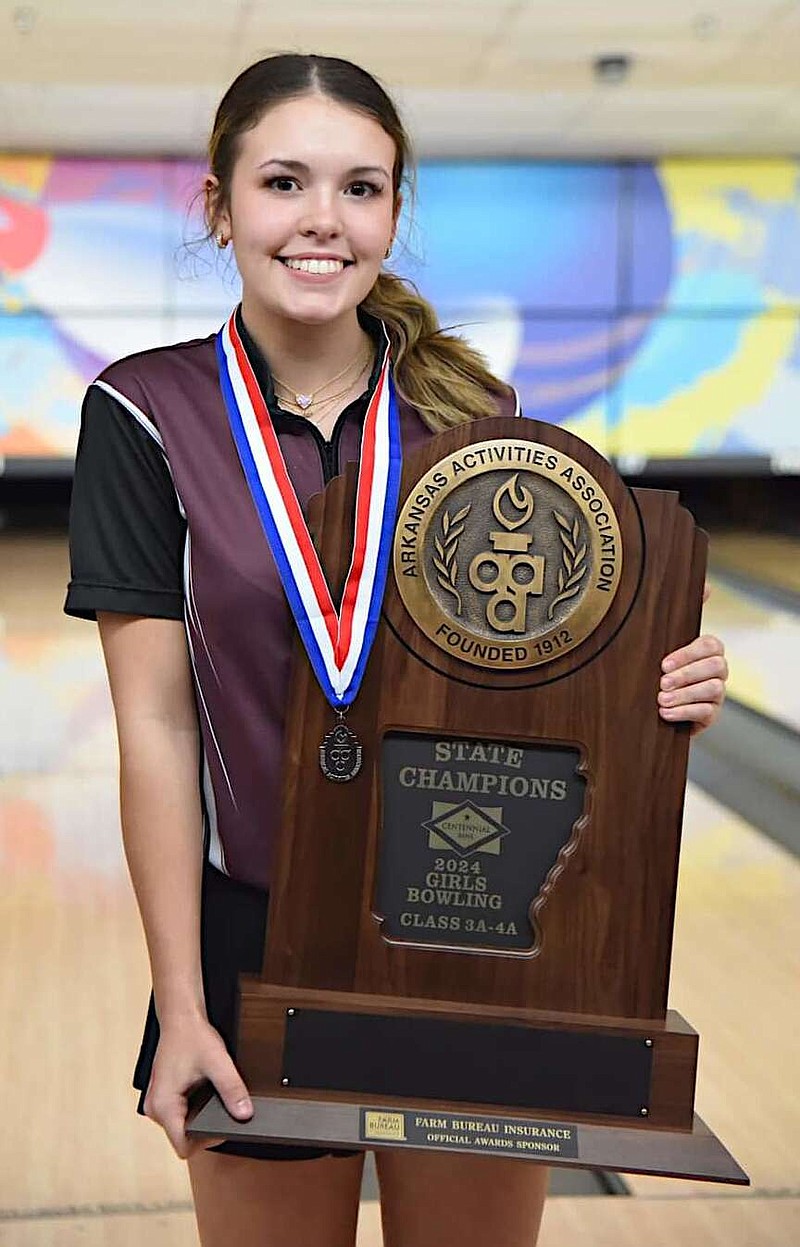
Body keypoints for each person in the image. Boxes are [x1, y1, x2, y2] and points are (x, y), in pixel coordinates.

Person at [65, 53, 729, 1247]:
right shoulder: (144, 413)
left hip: (467, 929)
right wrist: (179, 1000)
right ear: (218, 206)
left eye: (359, 188)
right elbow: (157, 729)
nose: (322, 220)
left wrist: (660, 684)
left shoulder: (475, 415)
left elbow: (548, 682)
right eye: (283, 181)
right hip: (252, 934)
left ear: (390, 213)